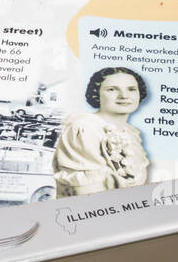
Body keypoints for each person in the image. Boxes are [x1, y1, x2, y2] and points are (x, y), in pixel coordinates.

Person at [53, 67, 150, 197]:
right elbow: (89, 198)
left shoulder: (131, 134)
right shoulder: (84, 129)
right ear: (96, 93)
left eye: (131, 89)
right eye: (112, 89)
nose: (124, 96)